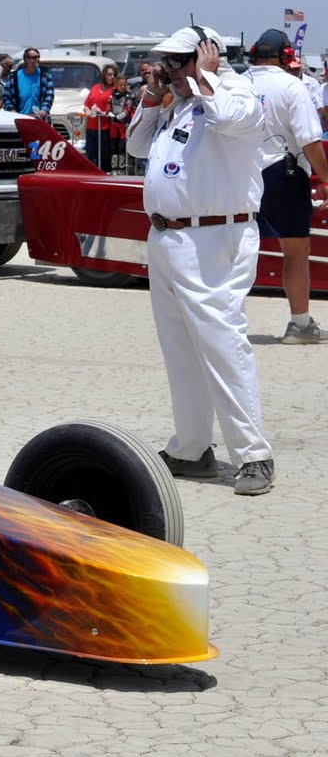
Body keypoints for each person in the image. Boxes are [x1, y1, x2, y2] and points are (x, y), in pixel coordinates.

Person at [125, 26, 274, 495]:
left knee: (222, 343)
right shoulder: (183, 104)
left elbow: (232, 118)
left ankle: (254, 455)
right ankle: (192, 448)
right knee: (180, 348)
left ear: (205, 55)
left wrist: (207, 76)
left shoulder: (235, 92)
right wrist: (154, 93)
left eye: (174, 61)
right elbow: (135, 147)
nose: (165, 70)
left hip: (214, 237)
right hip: (168, 238)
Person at [248, 29, 328, 344]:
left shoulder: (236, 84)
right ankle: (300, 324)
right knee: (295, 252)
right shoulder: (292, 86)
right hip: (282, 173)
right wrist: (325, 178)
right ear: (284, 57)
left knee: (233, 249)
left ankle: (221, 323)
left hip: (239, 174)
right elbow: (309, 139)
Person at [2, 47, 55, 128]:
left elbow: (49, 95)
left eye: (38, 57)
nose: (37, 59)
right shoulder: (14, 77)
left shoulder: (45, 75)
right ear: (26, 59)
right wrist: (12, 112)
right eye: (34, 58)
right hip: (19, 120)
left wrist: (44, 110)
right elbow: (6, 98)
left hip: (40, 120)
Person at [82, 64, 121, 170]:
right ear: (104, 75)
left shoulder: (115, 91)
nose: (111, 77)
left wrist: (101, 112)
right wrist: (88, 111)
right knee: (90, 154)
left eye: (114, 75)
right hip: (91, 126)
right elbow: (86, 103)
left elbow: (114, 110)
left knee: (104, 155)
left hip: (105, 128)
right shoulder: (96, 87)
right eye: (109, 74)